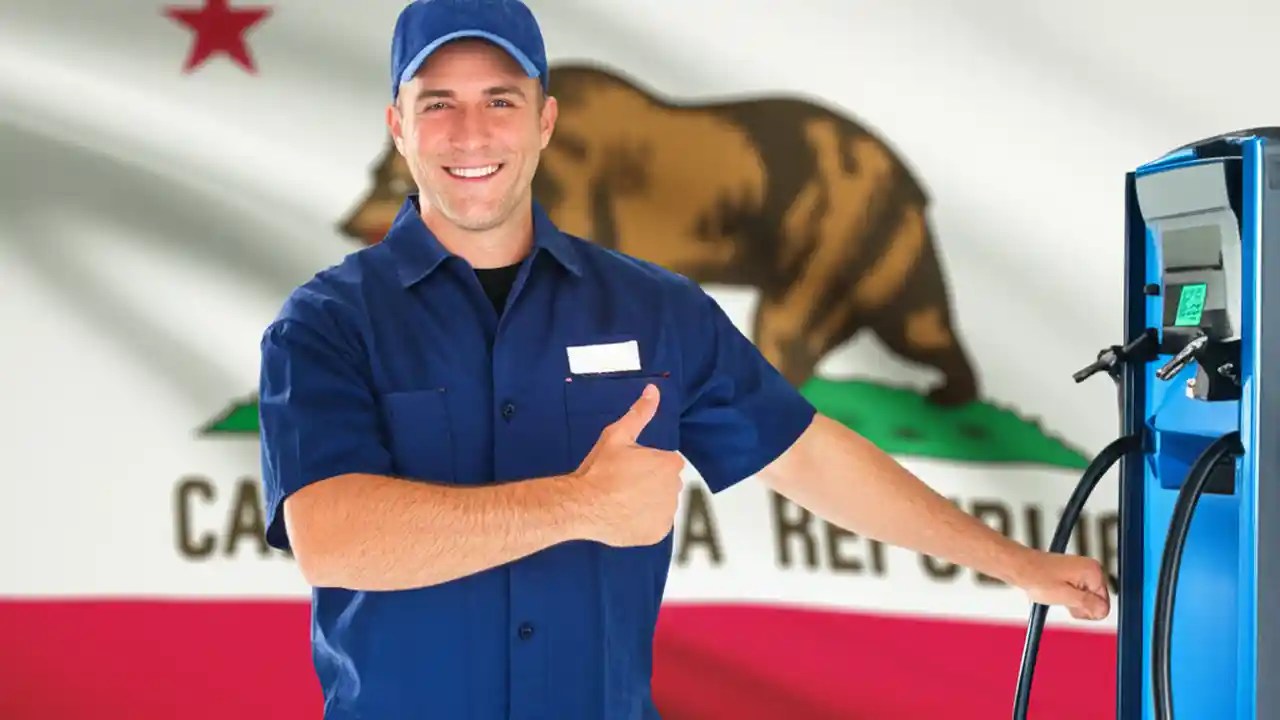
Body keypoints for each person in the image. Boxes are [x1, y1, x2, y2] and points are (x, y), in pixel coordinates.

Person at [256, 0, 1111, 717]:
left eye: (502, 100)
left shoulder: (652, 308)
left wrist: (1017, 563)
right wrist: (576, 506)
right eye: (438, 102)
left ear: (546, 120)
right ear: (397, 127)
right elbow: (334, 541)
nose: (471, 131)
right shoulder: (327, 324)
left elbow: (806, 452)